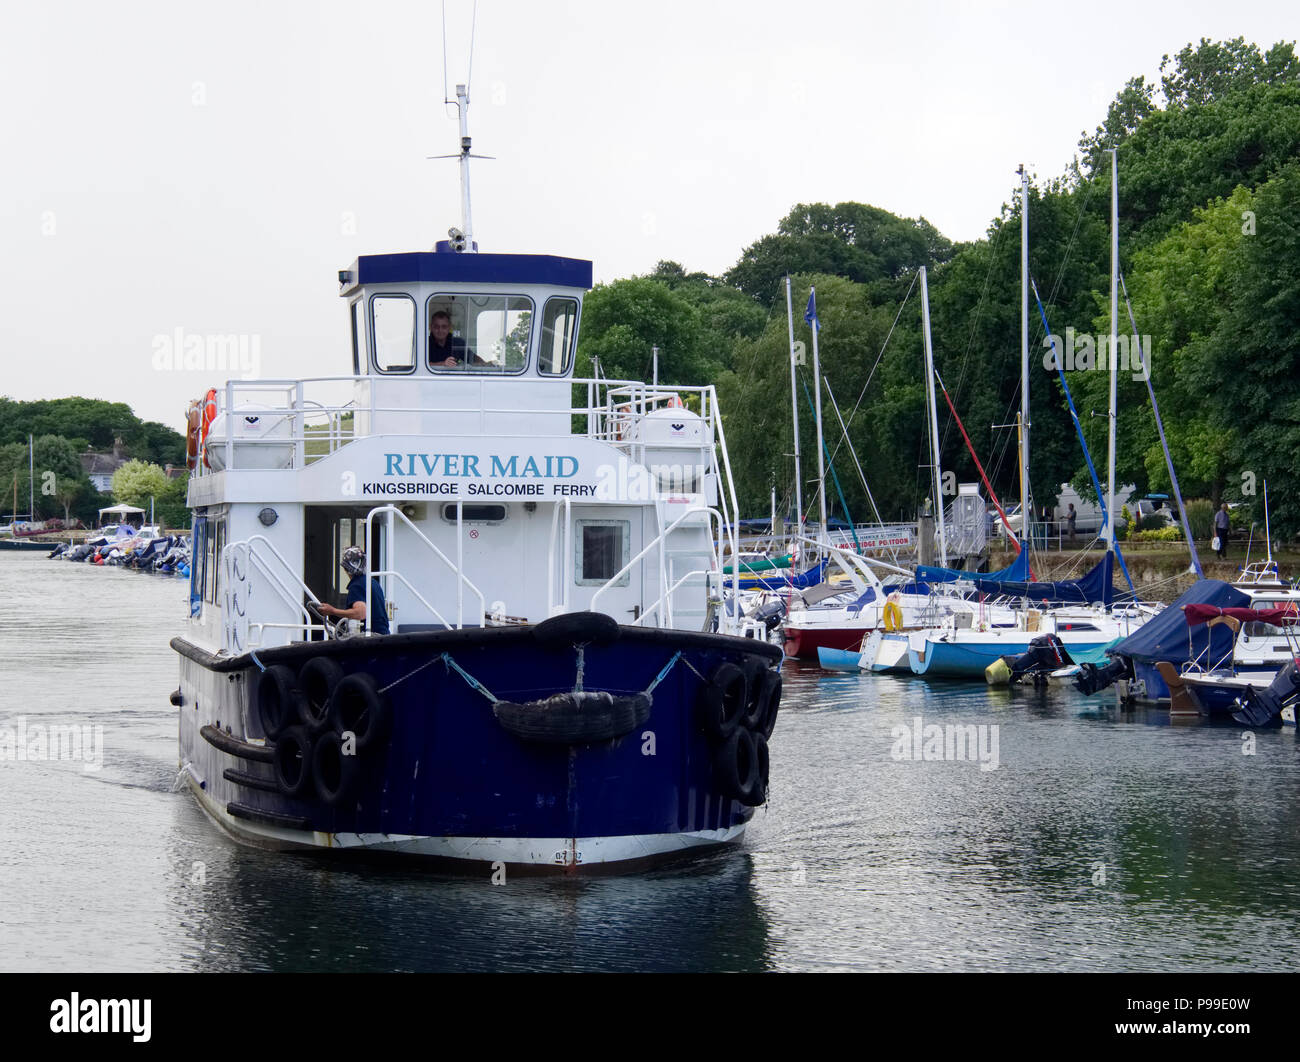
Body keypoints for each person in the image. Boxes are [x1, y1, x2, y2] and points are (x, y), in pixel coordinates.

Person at [317, 546, 390, 635]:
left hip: (372, 639)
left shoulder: (356, 586)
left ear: (345, 568)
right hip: (383, 635)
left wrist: (332, 611)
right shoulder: (372, 582)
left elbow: (361, 613)